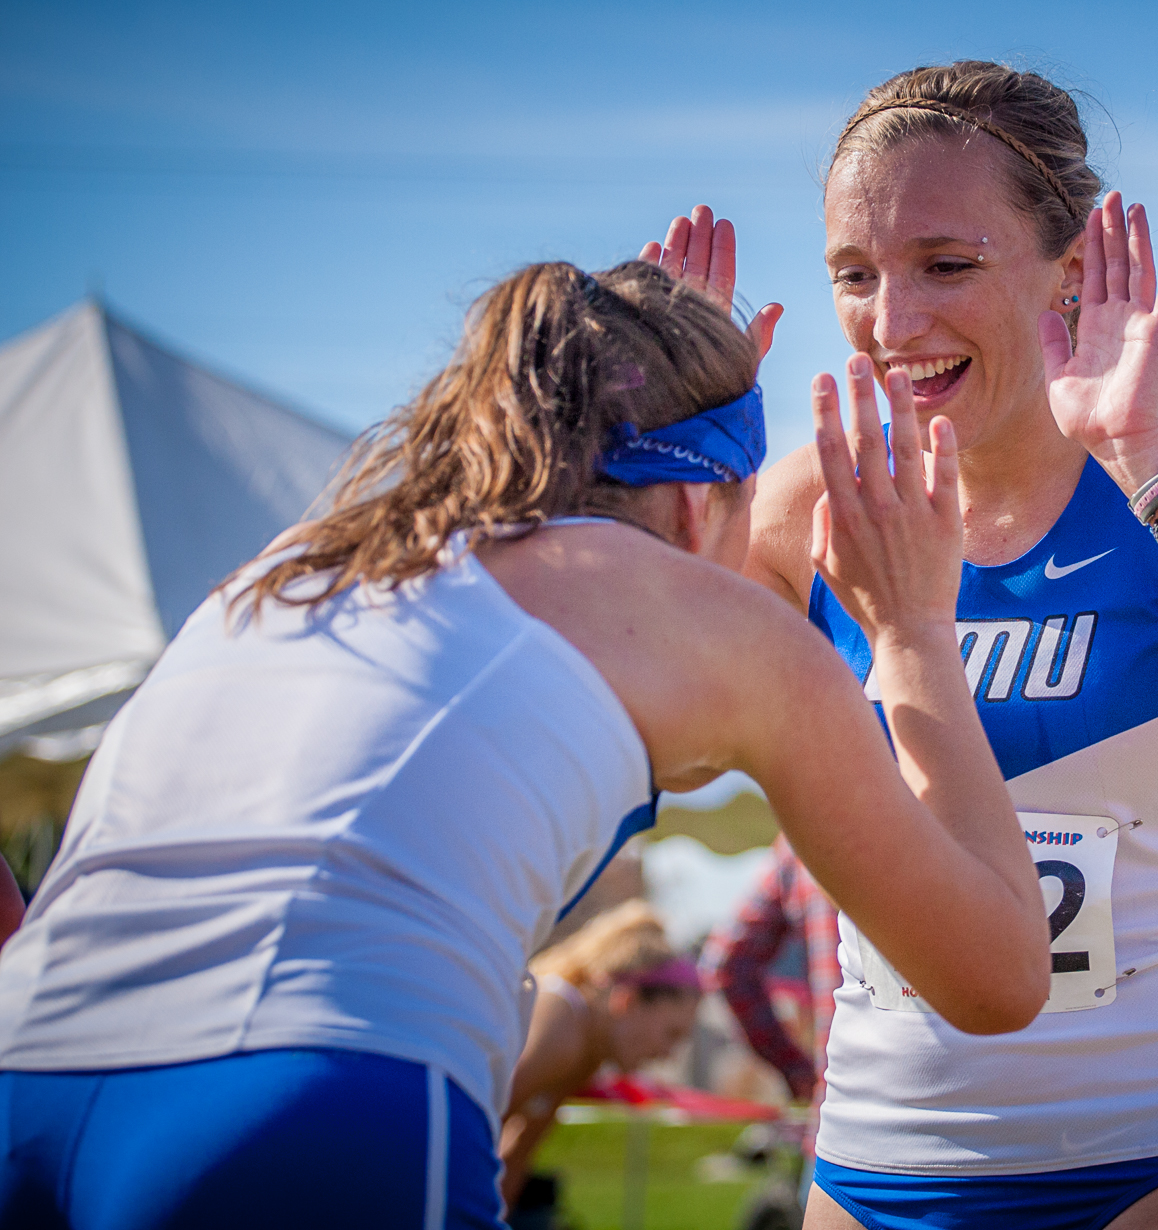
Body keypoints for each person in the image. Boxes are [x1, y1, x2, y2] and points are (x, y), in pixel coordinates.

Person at [0, 253, 1053, 1229]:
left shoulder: (296, 564)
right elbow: (995, 976)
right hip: (296, 1090)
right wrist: (913, 632)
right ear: (697, 509)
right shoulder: (714, 624)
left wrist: (655, 356)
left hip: (27, 1072)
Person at [711, 61, 1158, 1230]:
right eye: (852, 274)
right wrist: (656, 461)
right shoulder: (804, 508)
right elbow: (667, 760)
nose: (893, 324)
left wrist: (1142, 459)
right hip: (884, 1149)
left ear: (1071, 268)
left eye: (946, 264)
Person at [499, 901, 703, 1212]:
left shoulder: (586, 1049)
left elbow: (518, 1150)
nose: (668, 1055)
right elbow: (475, 1123)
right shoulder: (562, 1028)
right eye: (670, 1034)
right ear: (628, 1001)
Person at [703, 835, 841, 1107]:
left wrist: (798, 1071)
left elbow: (726, 964)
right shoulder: (936, 816)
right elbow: (727, 966)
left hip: (840, 1111)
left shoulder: (804, 830)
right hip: (943, 1111)